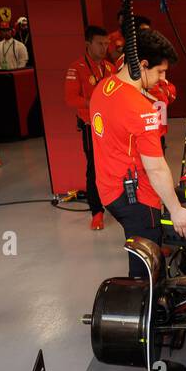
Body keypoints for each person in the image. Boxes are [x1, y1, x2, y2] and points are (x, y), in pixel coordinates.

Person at [91, 29, 186, 279]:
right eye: (160, 72)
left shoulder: (104, 86)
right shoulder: (140, 109)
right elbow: (156, 168)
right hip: (137, 200)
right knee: (147, 269)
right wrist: (176, 210)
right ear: (142, 64)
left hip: (109, 190)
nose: (162, 79)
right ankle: (147, 311)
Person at [66, 25, 115, 230]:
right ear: (88, 44)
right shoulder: (76, 68)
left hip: (112, 127)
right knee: (93, 169)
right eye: (99, 43)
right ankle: (96, 212)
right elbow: (70, 99)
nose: (104, 48)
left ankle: (116, 203)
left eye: (106, 44)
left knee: (114, 166)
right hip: (90, 127)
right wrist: (95, 101)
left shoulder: (110, 68)